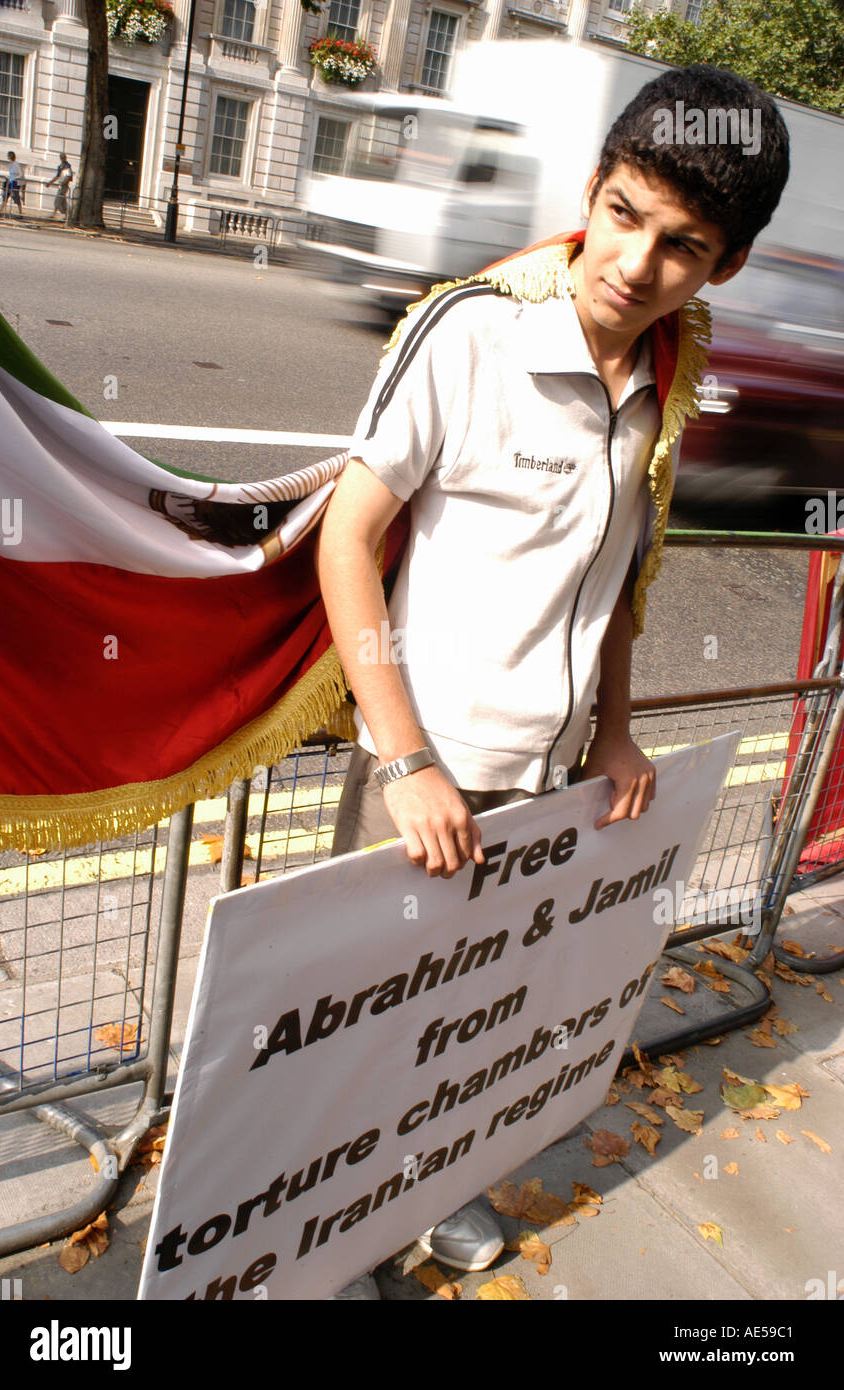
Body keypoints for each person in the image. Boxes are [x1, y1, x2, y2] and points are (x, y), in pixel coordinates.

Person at [315, 63, 790, 1298]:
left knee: (479, 1009)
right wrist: (407, 758)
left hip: (555, 778)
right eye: (625, 214)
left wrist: (619, 735)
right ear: (593, 191)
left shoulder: (663, 380)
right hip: (427, 777)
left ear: (720, 266)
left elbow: (623, 570)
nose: (636, 263)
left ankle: (438, 1183)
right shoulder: (470, 331)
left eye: (681, 246)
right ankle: (336, 1227)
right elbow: (347, 539)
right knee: (373, 1014)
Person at [46, 152, 74, 220]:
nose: (62, 159)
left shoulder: (67, 166)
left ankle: (65, 214)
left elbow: (68, 176)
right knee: (62, 202)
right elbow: (57, 176)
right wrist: (50, 182)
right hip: (61, 185)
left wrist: (63, 183)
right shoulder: (60, 166)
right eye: (61, 157)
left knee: (58, 201)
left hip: (63, 186)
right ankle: (66, 215)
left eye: (63, 157)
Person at [2, 152, 24, 217]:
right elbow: (11, 174)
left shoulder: (16, 164)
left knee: (16, 197)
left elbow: (20, 174)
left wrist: (15, 178)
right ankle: (1, 210)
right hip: (10, 182)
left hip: (15, 183)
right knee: (6, 195)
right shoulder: (10, 165)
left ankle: (20, 212)